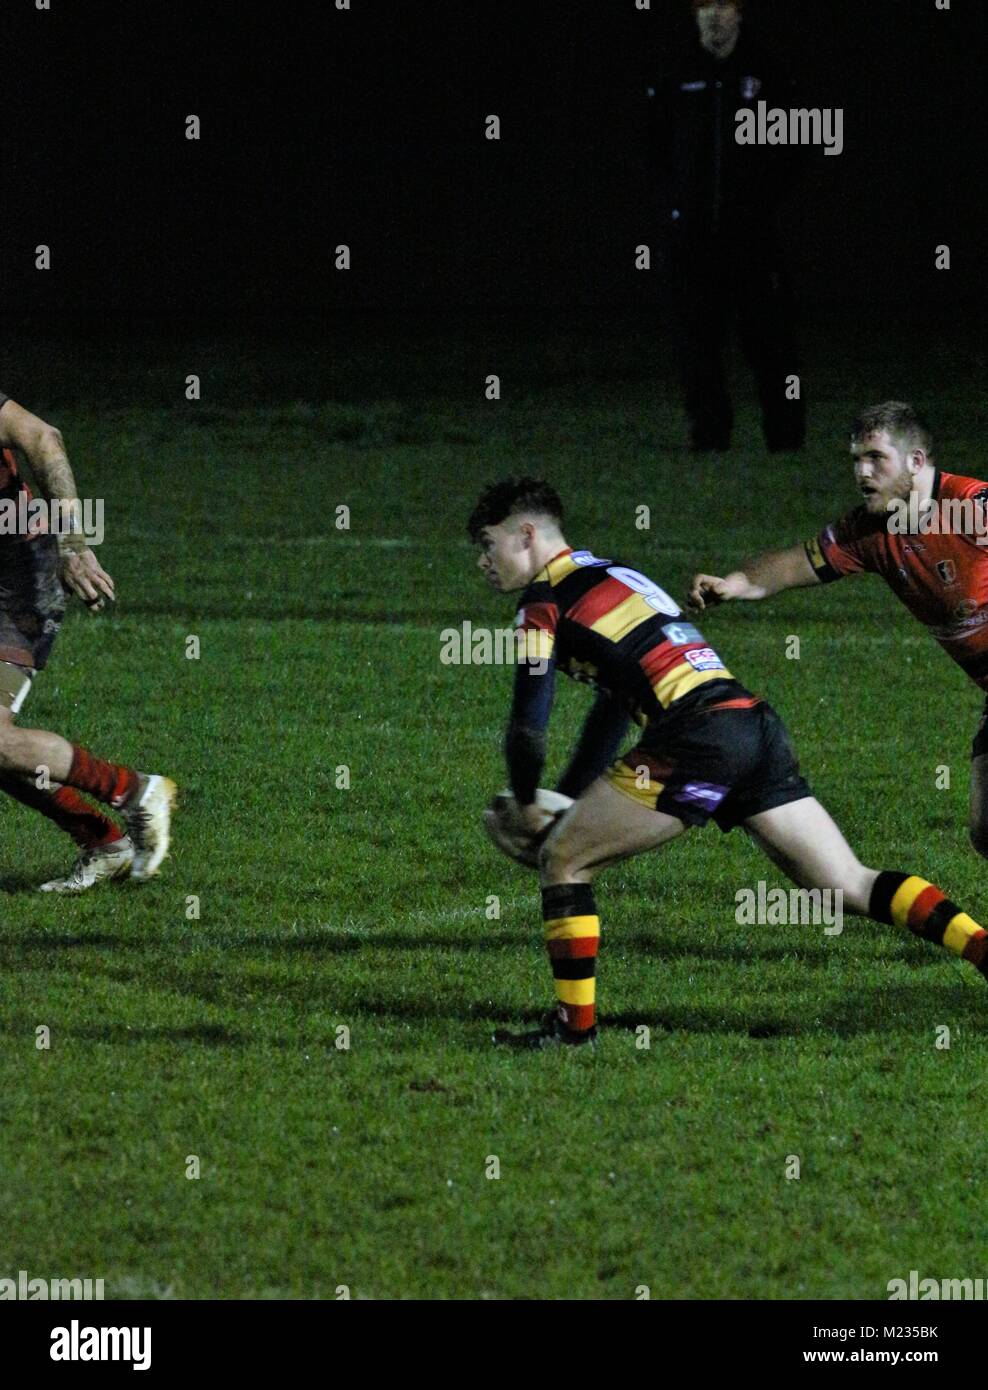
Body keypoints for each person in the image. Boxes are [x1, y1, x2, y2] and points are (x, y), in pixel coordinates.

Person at [469, 476, 988, 1049]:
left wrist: (525, 801)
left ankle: (574, 1032)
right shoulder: (617, 574)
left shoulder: (541, 604)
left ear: (525, 536)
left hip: (696, 737)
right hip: (751, 725)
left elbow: (527, 727)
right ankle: (982, 947)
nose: (482, 561)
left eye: (488, 544)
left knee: (563, 860)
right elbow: (611, 712)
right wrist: (568, 798)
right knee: (846, 883)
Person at [690, 401, 988, 857]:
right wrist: (735, 584)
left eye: (875, 459)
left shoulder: (970, 506)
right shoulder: (868, 532)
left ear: (916, 461)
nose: (862, 472)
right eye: (856, 460)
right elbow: (794, 563)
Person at [0, 390, 175, 891]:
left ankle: (137, 792)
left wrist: (73, 544)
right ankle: (102, 842)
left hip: (18, 579)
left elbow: (42, 437)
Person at [647, 0, 805, 452]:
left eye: (724, 6)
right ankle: (710, 438)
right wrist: (675, 207)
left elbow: (792, 150)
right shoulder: (675, 74)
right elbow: (652, 147)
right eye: (705, 7)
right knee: (697, 343)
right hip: (692, 239)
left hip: (751, 238)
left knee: (771, 342)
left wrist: (760, 205)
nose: (714, 16)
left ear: (740, 13)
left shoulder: (767, 73)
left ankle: (786, 437)